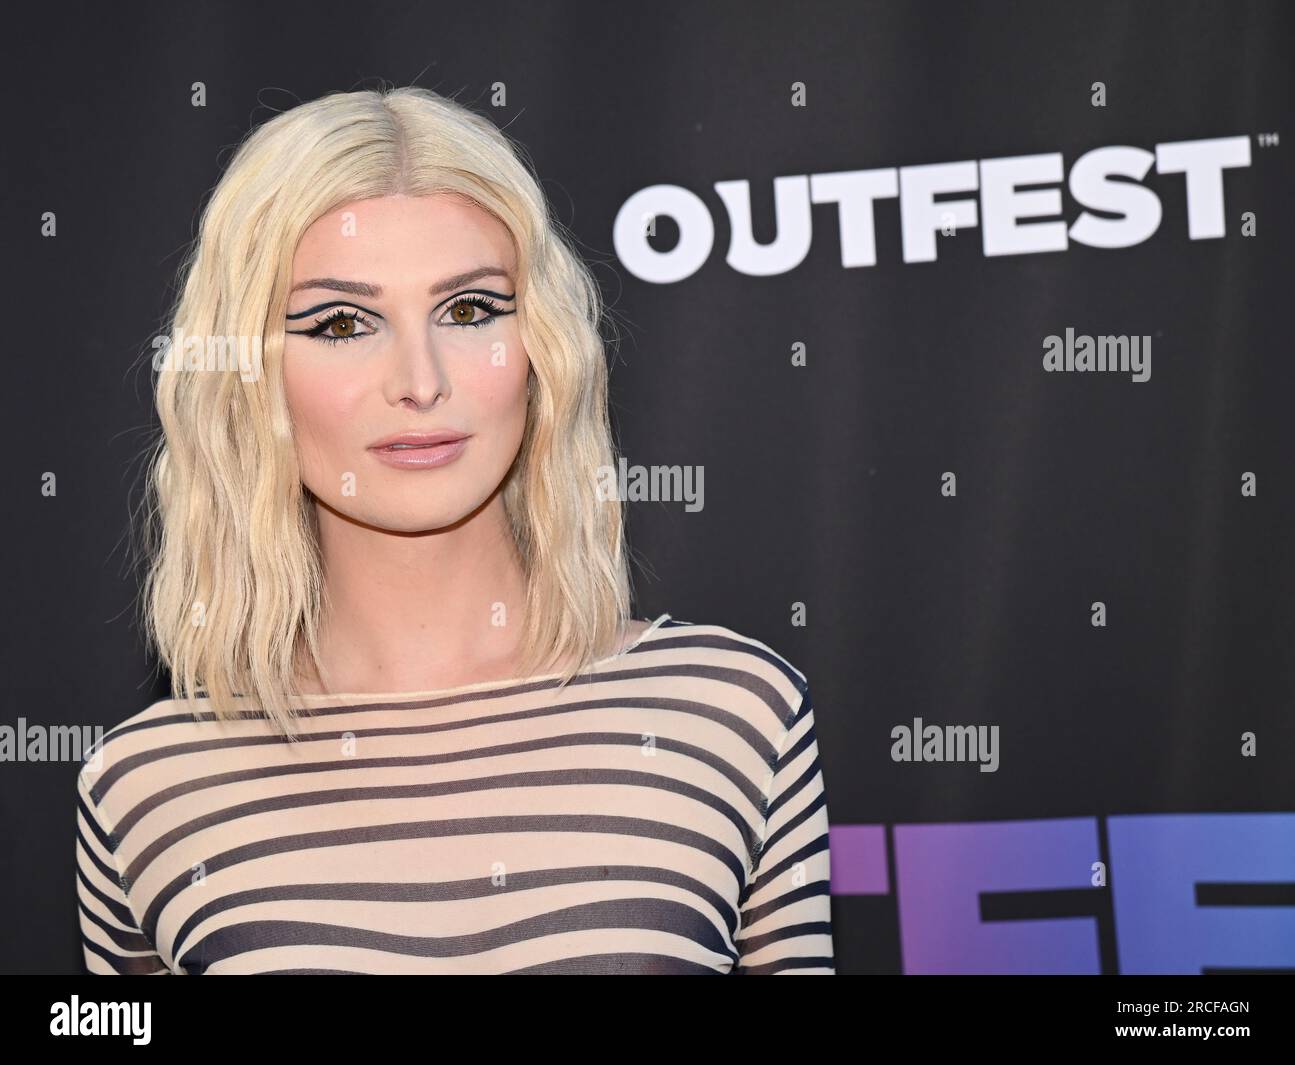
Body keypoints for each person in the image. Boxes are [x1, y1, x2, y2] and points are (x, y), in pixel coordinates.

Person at [74, 86, 833, 974]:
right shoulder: (146, 785)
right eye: (342, 322)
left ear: (543, 349)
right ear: (245, 374)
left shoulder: (732, 712)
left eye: (469, 310)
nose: (421, 379)